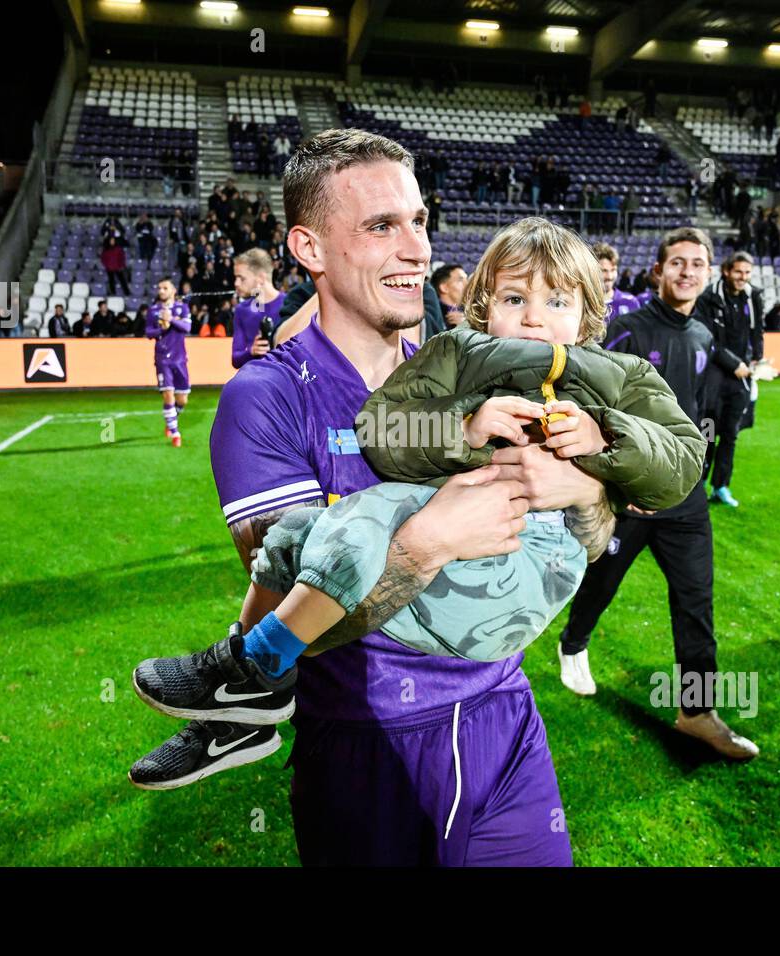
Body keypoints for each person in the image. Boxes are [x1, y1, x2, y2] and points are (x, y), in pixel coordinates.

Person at [126, 128, 616, 866]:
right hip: (372, 741)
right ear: (310, 249)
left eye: (419, 221)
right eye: (382, 225)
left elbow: (601, 517)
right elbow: (303, 614)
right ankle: (242, 695)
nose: (417, 248)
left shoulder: (466, 370)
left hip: (507, 716)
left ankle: (234, 704)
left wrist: (585, 483)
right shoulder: (266, 400)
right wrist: (433, 540)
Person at [130, 217, 704, 782]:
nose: (534, 317)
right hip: (445, 571)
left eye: (557, 302)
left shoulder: (620, 375)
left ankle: (254, 668)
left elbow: (682, 461)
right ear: (481, 304)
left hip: (527, 571)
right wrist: (466, 430)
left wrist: (606, 445)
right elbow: (383, 433)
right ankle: (247, 700)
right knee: (292, 538)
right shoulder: (457, 353)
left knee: (363, 516)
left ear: (587, 315)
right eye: (513, 297)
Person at [557, 228, 760, 761]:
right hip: (629, 495)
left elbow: (698, 414)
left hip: (685, 497)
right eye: (677, 263)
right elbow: (587, 397)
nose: (687, 272)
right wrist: (617, 478)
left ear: (708, 273)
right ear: (658, 272)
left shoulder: (702, 336)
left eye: (697, 264)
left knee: (696, 601)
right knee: (601, 580)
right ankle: (573, 643)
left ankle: (697, 711)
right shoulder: (626, 329)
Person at [695, 251, 763, 507]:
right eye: (738, 272)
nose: (742, 277)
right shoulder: (708, 297)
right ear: (726, 271)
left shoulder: (753, 295)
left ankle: (721, 486)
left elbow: (758, 330)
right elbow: (706, 339)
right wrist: (733, 363)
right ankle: (698, 483)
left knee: (731, 435)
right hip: (714, 376)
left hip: (741, 378)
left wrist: (757, 357)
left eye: (747, 273)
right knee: (708, 432)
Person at [146, 277, 193, 447]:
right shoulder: (153, 310)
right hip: (162, 358)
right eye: (159, 288)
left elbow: (187, 328)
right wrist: (161, 329)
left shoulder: (182, 308)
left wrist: (171, 319)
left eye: (165, 288)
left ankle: (171, 420)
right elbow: (148, 333)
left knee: (182, 400)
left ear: (173, 290)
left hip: (180, 359)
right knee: (168, 395)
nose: (161, 291)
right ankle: (175, 434)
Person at [231, 248, 285, 369]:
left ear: (260, 278)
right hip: (255, 381)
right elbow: (235, 358)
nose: (236, 283)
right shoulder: (241, 310)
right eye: (236, 278)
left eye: (241, 278)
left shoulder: (290, 305)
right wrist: (251, 351)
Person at [592, 243, 639, 323]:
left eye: (613, 270)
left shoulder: (631, 302)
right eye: (604, 271)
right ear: (592, 271)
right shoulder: (582, 305)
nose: (609, 277)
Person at [431, 263, 467, 328]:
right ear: (444, 288)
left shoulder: (469, 315)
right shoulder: (432, 315)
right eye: (460, 280)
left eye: (466, 279)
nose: (467, 284)